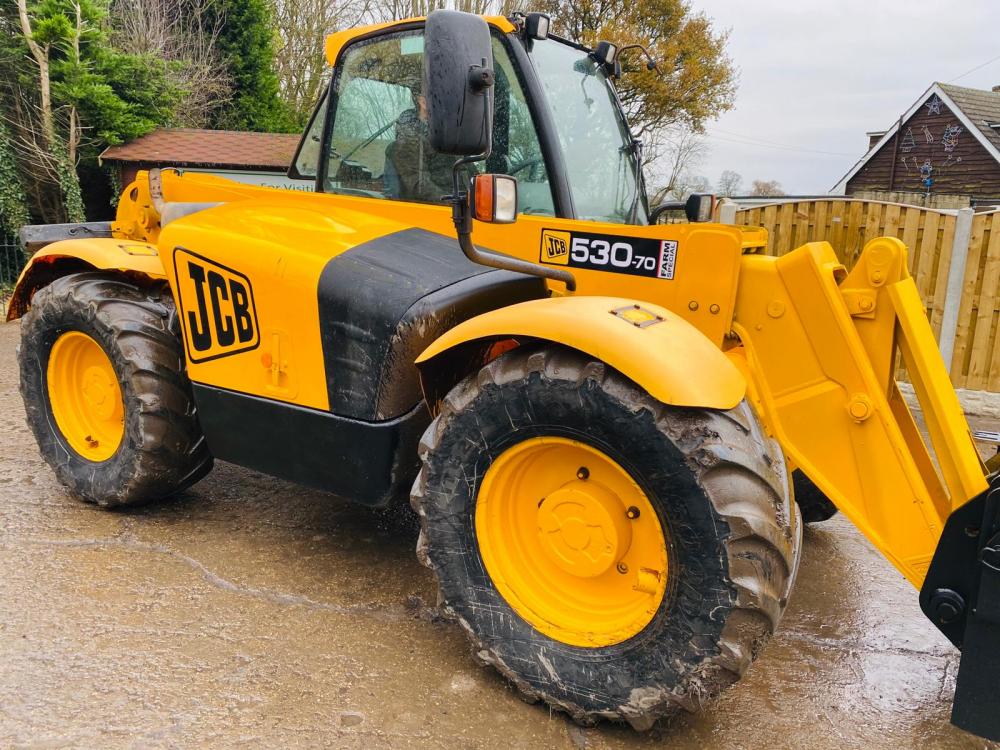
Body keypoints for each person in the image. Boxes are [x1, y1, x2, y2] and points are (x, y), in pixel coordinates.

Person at [388, 83, 456, 203]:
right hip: (433, 208)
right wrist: (454, 203)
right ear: (423, 102)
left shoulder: (442, 134)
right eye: (443, 97)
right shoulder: (409, 137)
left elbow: (463, 169)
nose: (450, 104)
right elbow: (419, 186)